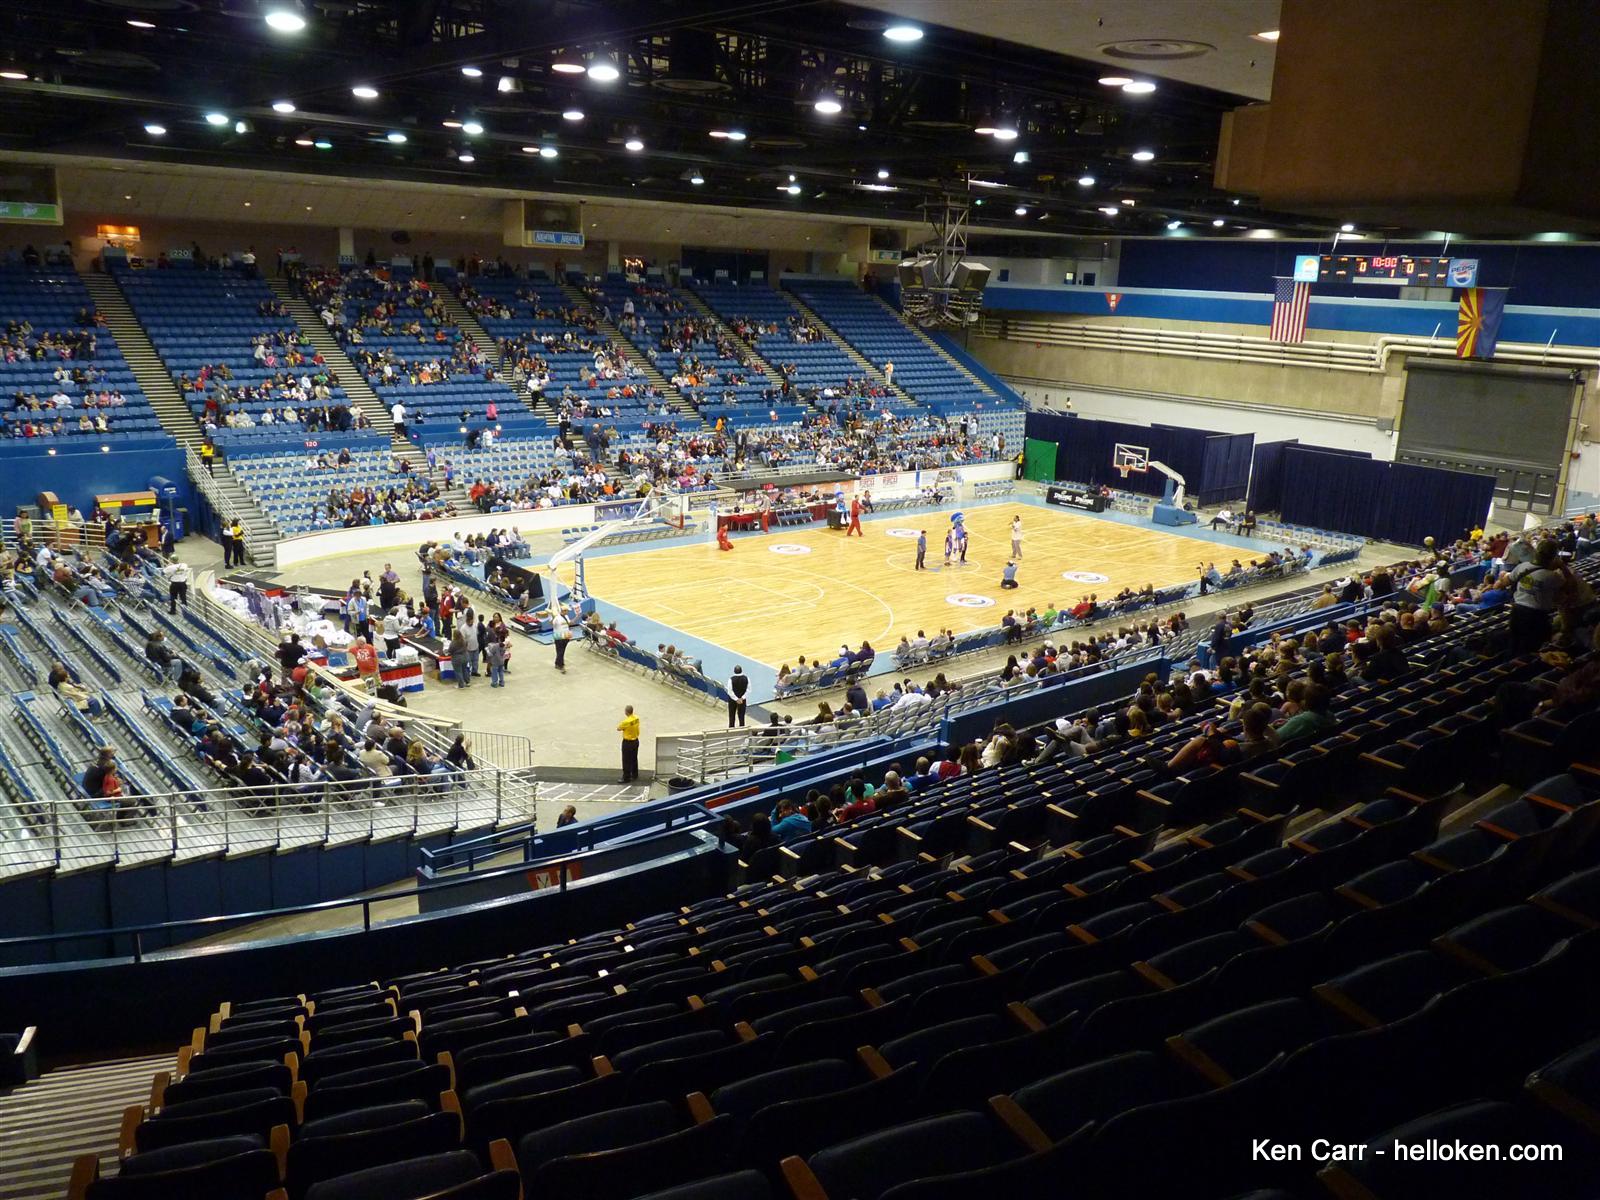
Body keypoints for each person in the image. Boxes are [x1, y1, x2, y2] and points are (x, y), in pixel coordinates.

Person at [618, 704, 640, 782]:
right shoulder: (637, 718)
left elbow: (618, 728)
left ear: (626, 712)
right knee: (634, 758)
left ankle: (626, 777)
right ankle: (635, 774)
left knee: (626, 760)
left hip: (628, 743)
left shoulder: (625, 722)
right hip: (636, 741)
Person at [552, 607, 572, 671]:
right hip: (559, 636)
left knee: (562, 650)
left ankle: (557, 663)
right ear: (563, 611)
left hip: (566, 635)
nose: (567, 612)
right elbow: (553, 624)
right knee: (560, 651)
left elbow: (569, 623)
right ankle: (561, 665)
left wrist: (577, 616)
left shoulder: (566, 616)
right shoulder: (557, 618)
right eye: (566, 611)